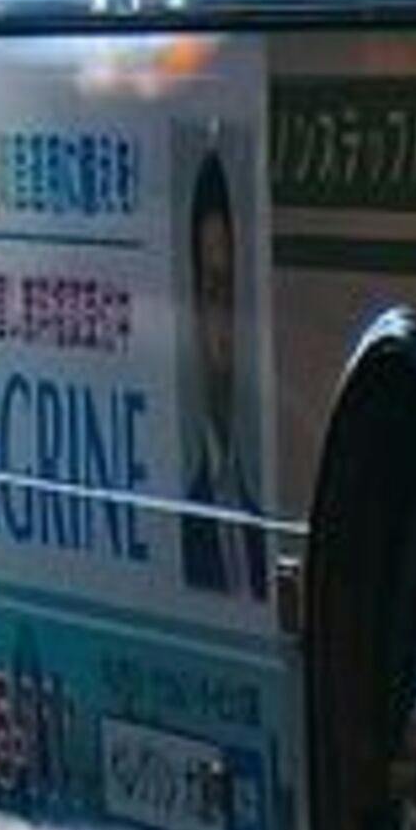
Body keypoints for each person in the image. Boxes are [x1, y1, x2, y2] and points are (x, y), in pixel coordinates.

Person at [173, 126, 257, 594]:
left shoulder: (253, 506)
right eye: (213, 292)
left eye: (232, 291)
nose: (226, 323)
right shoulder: (190, 513)